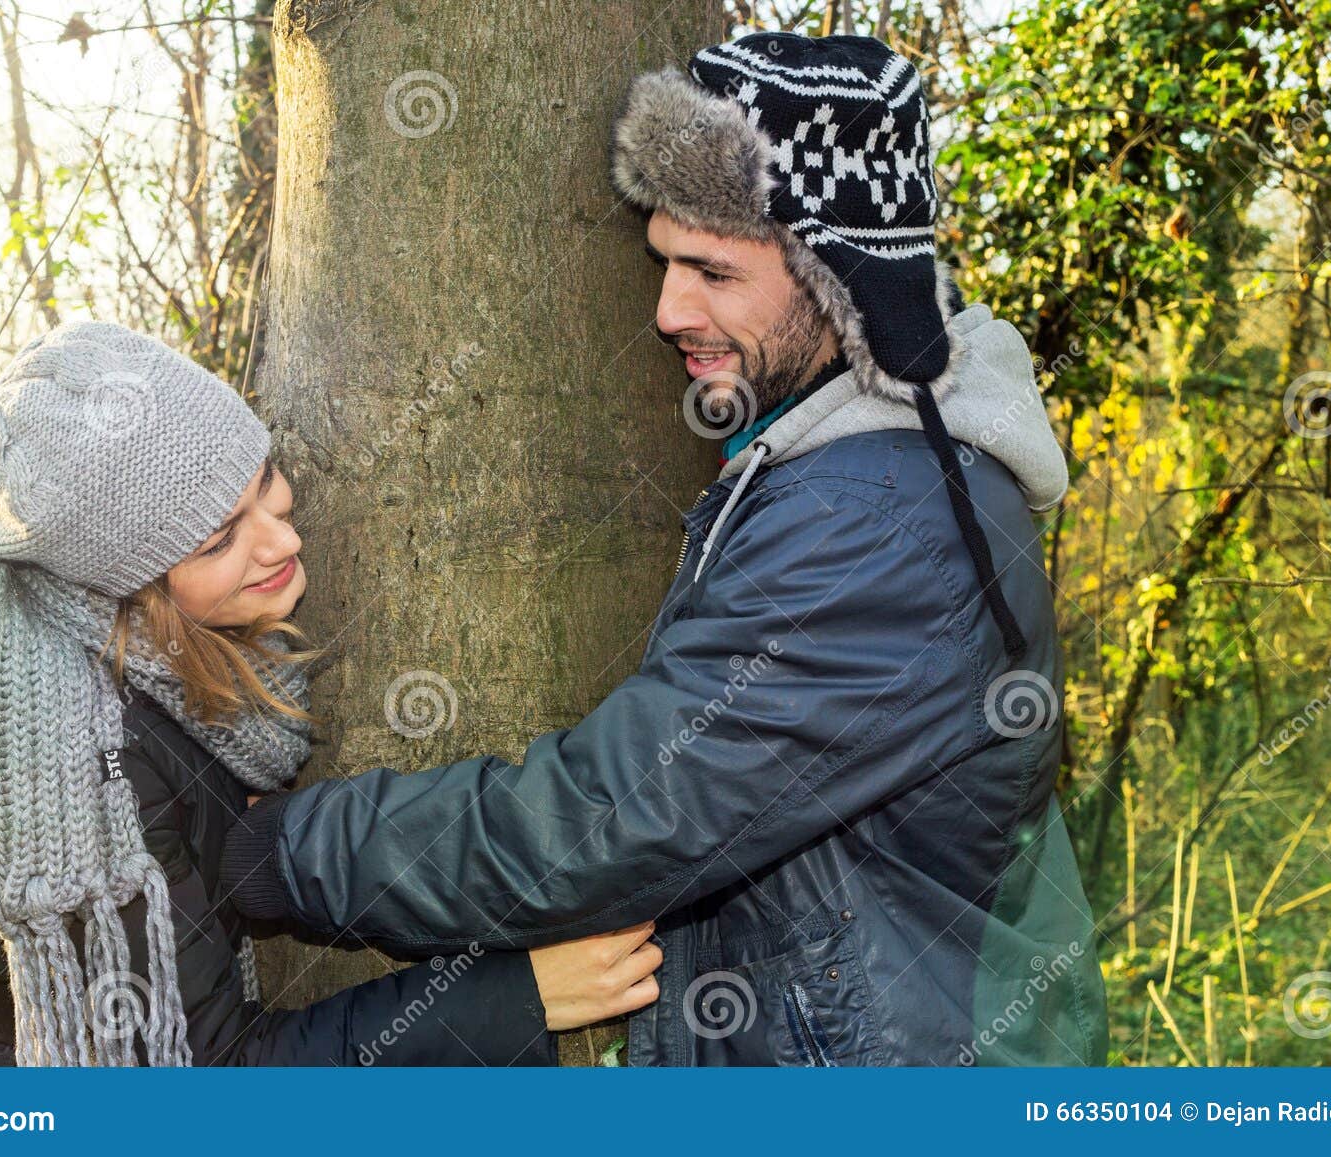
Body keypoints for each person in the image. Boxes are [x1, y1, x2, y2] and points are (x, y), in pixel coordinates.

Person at [220, 33, 1109, 1066]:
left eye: (712, 270)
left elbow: (620, 814)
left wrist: (282, 853)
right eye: (664, 262)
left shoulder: (877, 522)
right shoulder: (849, 459)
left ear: (843, 275)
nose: (668, 310)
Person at [0, 321, 661, 1066]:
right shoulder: (78, 763)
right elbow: (210, 1076)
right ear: (130, 586)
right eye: (221, 539)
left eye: (265, 482)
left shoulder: (154, 651)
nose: (283, 539)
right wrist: (515, 997)